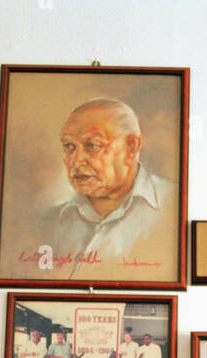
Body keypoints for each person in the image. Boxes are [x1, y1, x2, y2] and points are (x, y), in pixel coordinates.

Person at [46, 98, 177, 268]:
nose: (76, 161)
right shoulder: (52, 222)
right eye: (69, 146)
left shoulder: (174, 205)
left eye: (92, 146)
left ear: (131, 148)